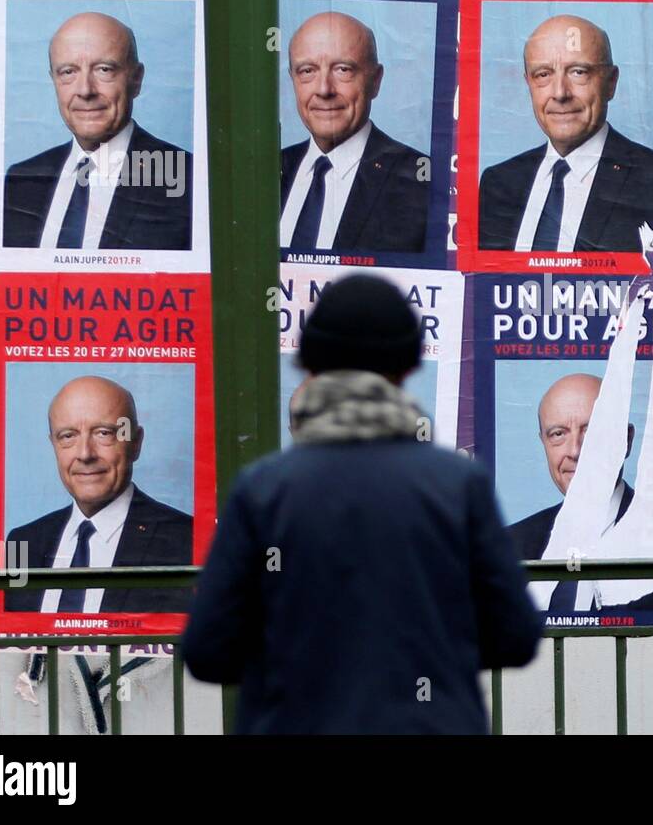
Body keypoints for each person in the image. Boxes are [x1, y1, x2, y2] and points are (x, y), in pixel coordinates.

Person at [184, 274, 541, 733]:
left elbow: (209, 650)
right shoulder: (457, 485)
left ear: (310, 366)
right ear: (409, 367)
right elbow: (515, 636)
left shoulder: (264, 490)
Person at [2, 12, 193, 251]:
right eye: (68, 72)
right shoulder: (21, 181)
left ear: (136, 79)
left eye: (104, 70)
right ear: (53, 80)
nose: (85, 90)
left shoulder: (188, 178)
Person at [478, 14, 653, 253]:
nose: (559, 93)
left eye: (578, 72)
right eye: (543, 74)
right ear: (528, 83)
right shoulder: (497, 183)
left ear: (611, 82)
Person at [5, 376, 193, 614]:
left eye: (104, 433)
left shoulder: (188, 541)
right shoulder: (23, 542)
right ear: (53, 444)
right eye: (68, 436)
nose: (85, 454)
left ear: (135, 443)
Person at [280, 12, 429, 253]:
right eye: (307, 71)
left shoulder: (422, 187)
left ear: (376, 81)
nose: (324, 89)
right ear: (292, 79)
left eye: (343, 69)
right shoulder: (262, 173)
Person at [508, 374, 637, 560]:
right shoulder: (510, 548)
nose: (576, 451)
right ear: (544, 442)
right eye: (558, 434)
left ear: (626, 440)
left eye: (593, 431)